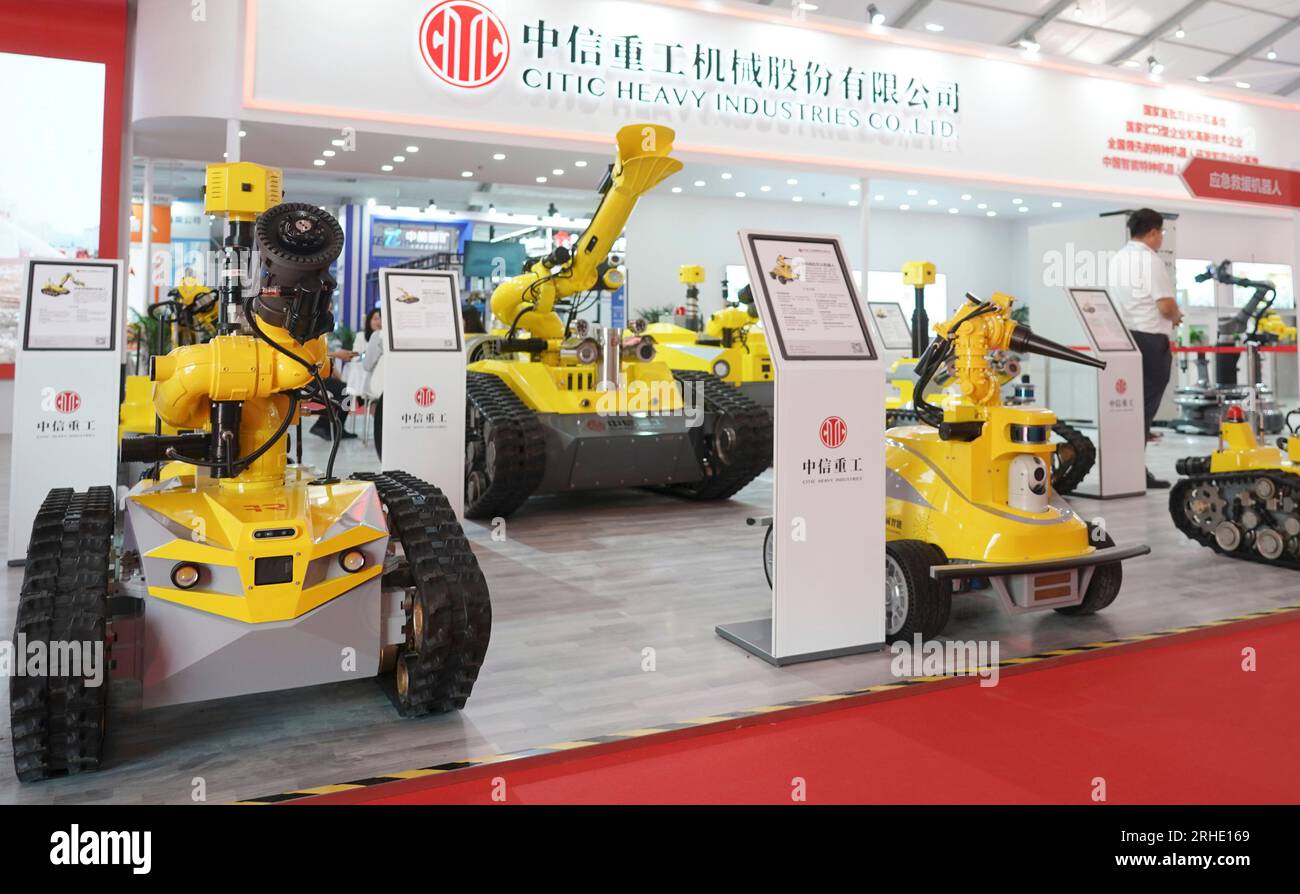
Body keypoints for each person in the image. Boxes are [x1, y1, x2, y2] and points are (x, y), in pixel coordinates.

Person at [1108, 208, 1182, 489]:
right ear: (1152, 232)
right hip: (1150, 340)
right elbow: (1165, 305)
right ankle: (1134, 470)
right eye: (1161, 232)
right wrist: (1177, 316)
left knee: (1126, 406)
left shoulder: (1118, 259)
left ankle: (1124, 468)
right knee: (1143, 408)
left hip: (1123, 339)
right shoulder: (1149, 260)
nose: (1161, 238)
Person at [361, 307, 385, 460]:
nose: (378, 321)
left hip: (378, 386)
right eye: (375, 318)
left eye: (380, 318)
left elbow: (367, 365)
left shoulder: (378, 336)